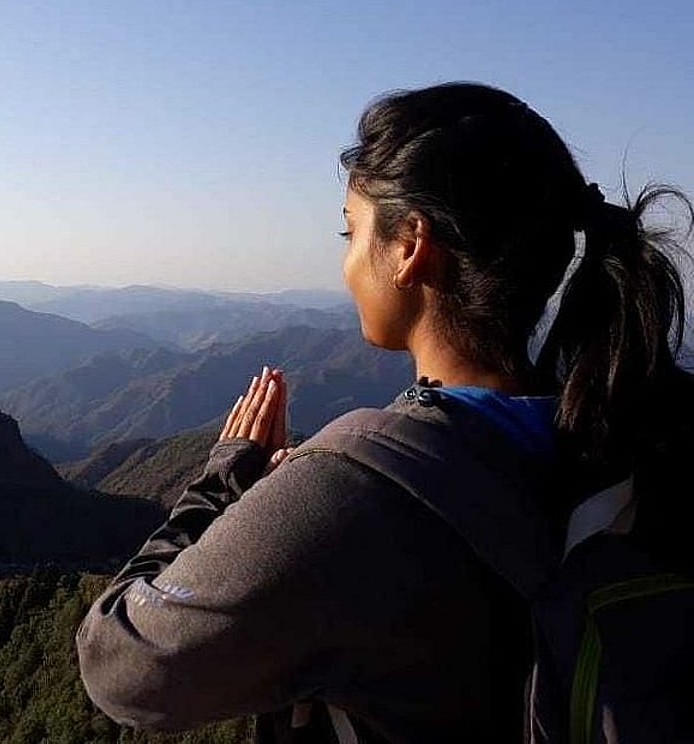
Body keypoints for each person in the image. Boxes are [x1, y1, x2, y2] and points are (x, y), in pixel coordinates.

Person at [74, 82, 694, 743]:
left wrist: (221, 485)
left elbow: (120, 666)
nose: (346, 262)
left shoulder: (359, 492)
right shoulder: (637, 440)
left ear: (410, 246)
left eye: (351, 230)